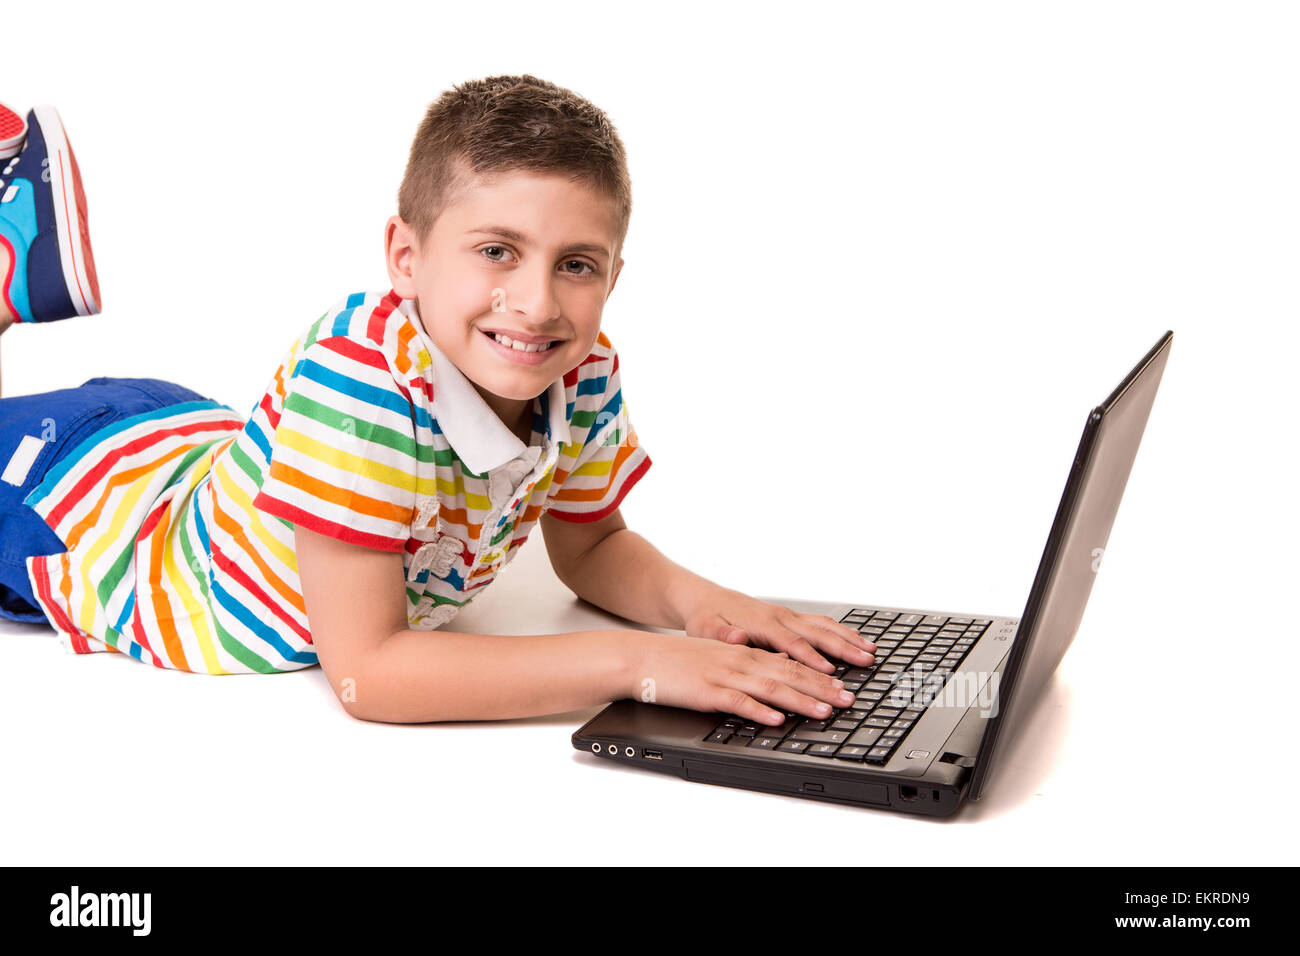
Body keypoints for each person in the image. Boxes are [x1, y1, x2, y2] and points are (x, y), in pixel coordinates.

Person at [0, 76, 876, 727]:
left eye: (577, 264)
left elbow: (593, 546)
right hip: (76, 505)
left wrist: (709, 611)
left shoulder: (584, 366)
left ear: (613, 274)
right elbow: (368, 674)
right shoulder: (359, 390)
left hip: (177, 439)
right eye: (497, 250)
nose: (537, 303)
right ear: (406, 257)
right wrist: (638, 663)